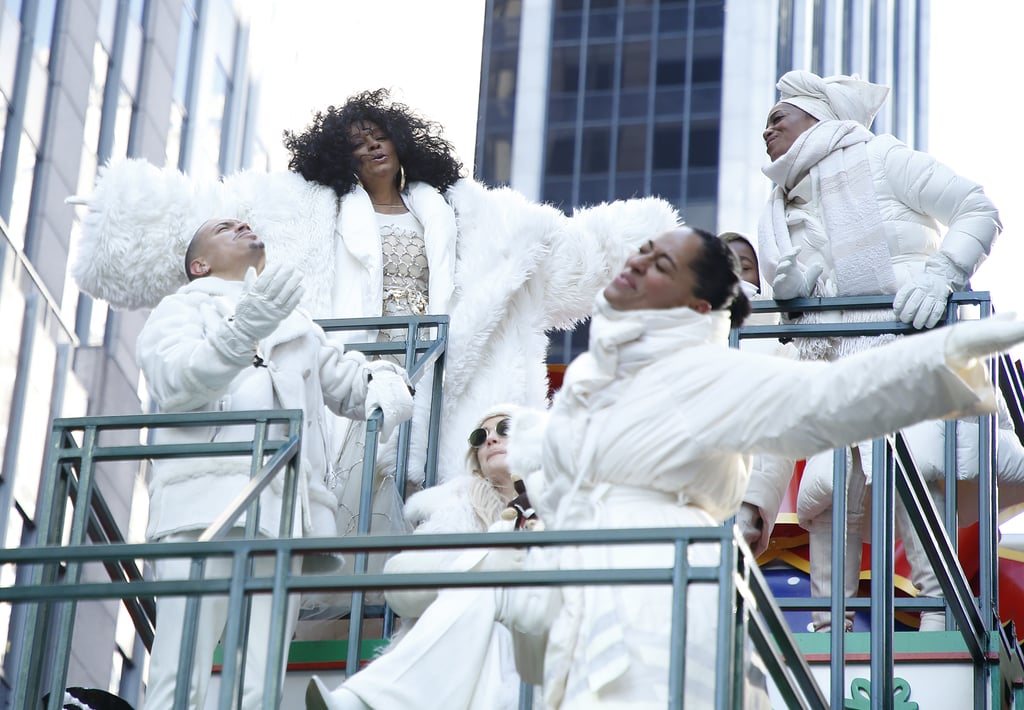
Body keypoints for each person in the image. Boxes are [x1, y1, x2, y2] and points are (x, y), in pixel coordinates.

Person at [496, 226, 1024, 709]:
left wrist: (956, 347)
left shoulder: (706, 371)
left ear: (699, 307)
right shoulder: (591, 375)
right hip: (576, 601)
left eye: (662, 265)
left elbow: (832, 395)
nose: (640, 262)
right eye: (644, 250)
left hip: (659, 598)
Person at [70, 88, 680, 501]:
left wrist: (653, 244)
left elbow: (558, 248)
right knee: (350, 502)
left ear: (406, 142)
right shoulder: (300, 212)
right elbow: (204, 229)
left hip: (446, 374)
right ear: (338, 159)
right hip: (354, 372)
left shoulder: (473, 214)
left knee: (448, 502)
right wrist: (122, 215)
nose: (371, 147)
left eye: (380, 136)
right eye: (356, 144)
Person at [743, 69, 1005, 631]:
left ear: (815, 115)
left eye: (777, 118)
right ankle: (826, 631)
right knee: (830, 501)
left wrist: (940, 277)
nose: (766, 132)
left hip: (903, 359)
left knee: (913, 490)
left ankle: (940, 628)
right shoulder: (780, 211)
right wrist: (789, 298)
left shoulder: (883, 159)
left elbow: (978, 209)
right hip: (833, 372)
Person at [135, 218, 414, 710]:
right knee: (180, 666)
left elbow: (346, 382)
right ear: (199, 265)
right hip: (203, 508)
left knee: (261, 673)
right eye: (225, 228)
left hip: (280, 512)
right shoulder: (178, 308)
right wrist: (245, 329)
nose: (243, 225)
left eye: (244, 223)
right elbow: (176, 383)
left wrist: (385, 381)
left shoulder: (296, 321)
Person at [305, 404, 533, 710]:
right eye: (480, 436)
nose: (490, 440)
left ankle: (368, 699)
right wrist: (480, 569)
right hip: (482, 647)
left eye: (504, 429)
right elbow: (401, 581)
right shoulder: (454, 508)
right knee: (478, 599)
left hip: (540, 634)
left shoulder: (563, 501)